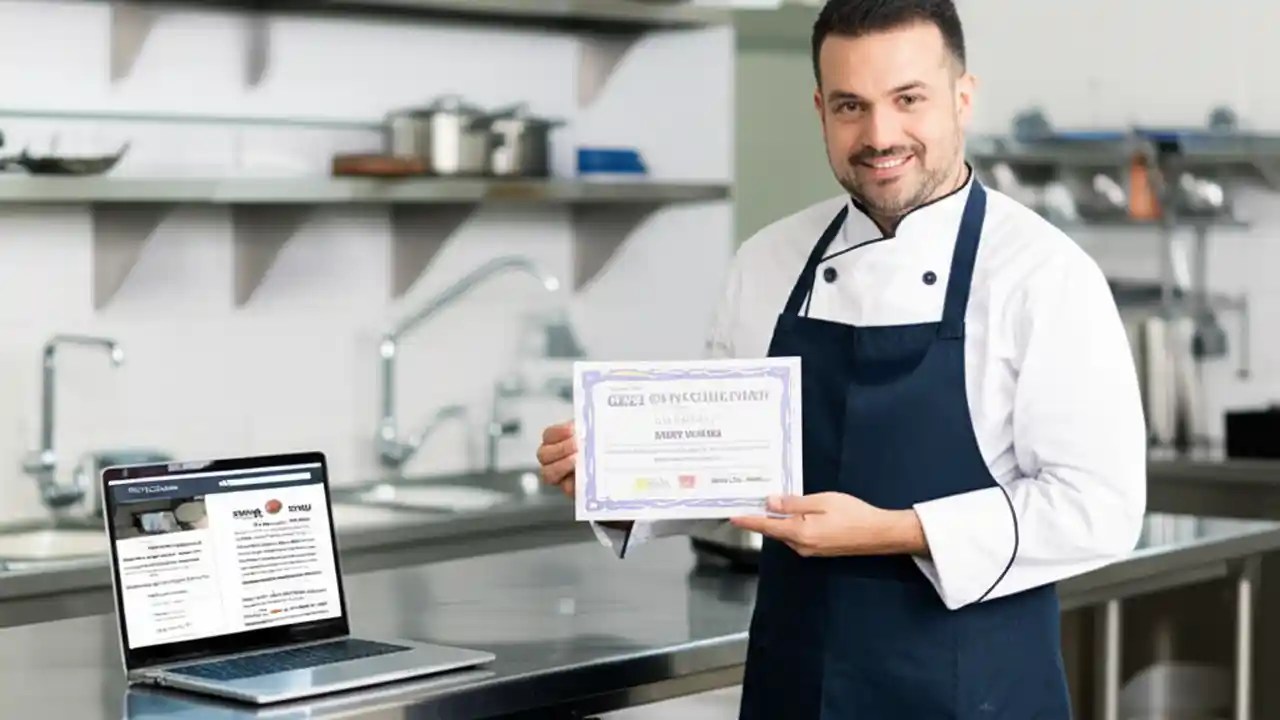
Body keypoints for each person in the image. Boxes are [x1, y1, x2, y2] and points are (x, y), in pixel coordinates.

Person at [537, 0, 1147, 716]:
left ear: (962, 97)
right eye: (852, 106)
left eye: (908, 100)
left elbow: (1099, 507)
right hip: (794, 688)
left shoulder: (1042, 274)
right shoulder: (767, 262)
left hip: (971, 696)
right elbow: (735, 471)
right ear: (821, 109)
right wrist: (614, 478)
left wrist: (892, 531)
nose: (880, 135)